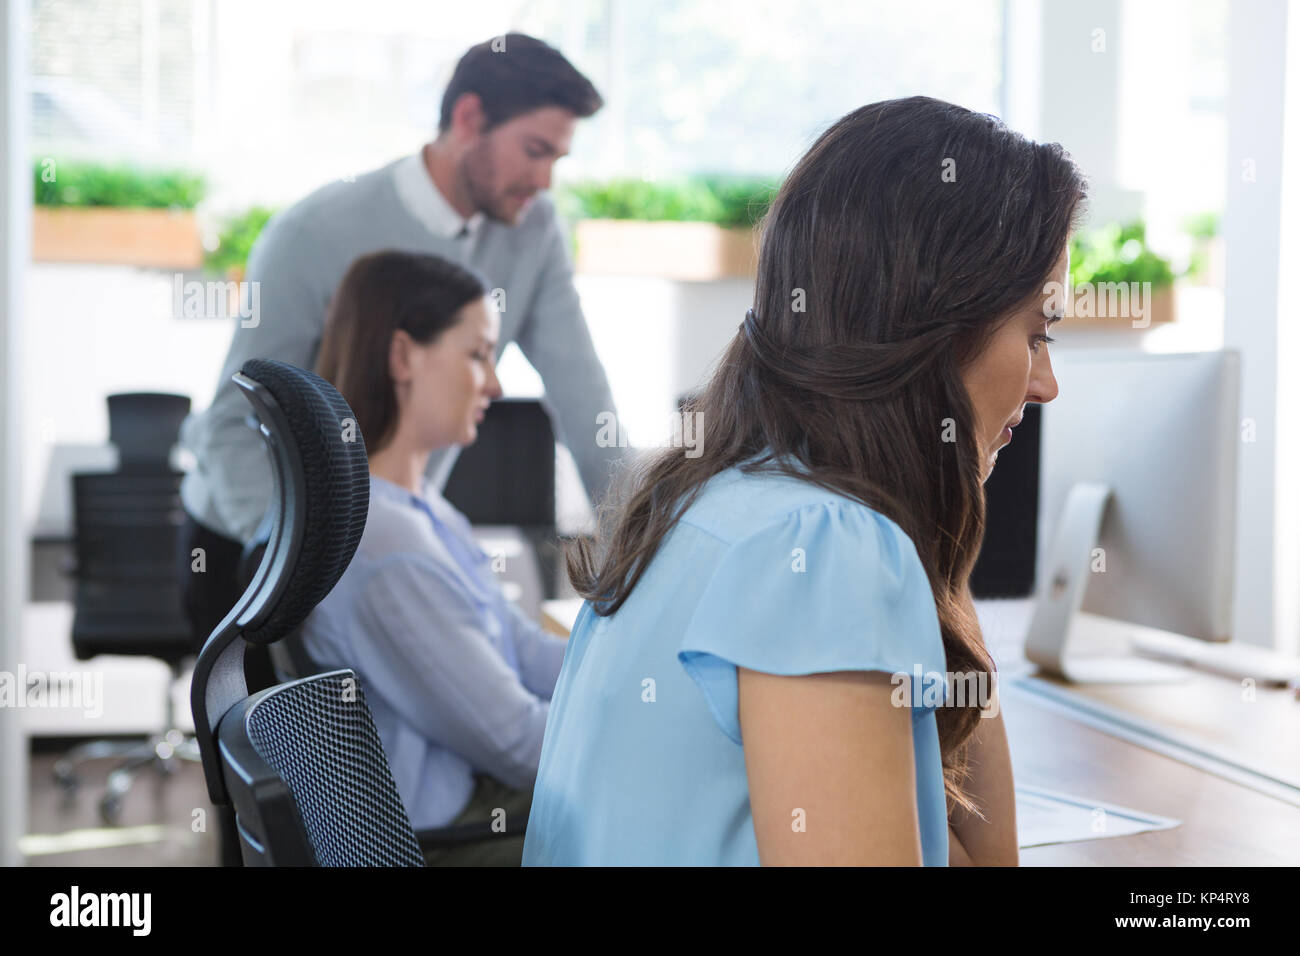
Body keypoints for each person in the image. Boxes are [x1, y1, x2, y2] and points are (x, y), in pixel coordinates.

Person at [521, 96, 1086, 866]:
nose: (1046, 383)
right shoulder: (822, 547)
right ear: (936, 324)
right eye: (1036, 332)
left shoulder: (704, 503)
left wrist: (943, 559)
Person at [177, 31, 626, 664]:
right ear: (468, 118)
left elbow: (586, 401)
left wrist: (648, 542)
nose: (544, 180)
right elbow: (231, 426)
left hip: (378, 549)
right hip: (255, 547)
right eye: (534, 150)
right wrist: (310, 566)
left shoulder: (532, 232)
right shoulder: (314, 232)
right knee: (286, 760)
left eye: (559, 158)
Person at [303, 249, 569, 867]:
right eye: (479, 354)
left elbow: (521, 650)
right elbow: (521, 744)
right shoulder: (386, 546)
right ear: (402, 356)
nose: (496, 383)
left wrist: (641, 663)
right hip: (452, 839)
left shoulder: (422, 509)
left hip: (480, 800)